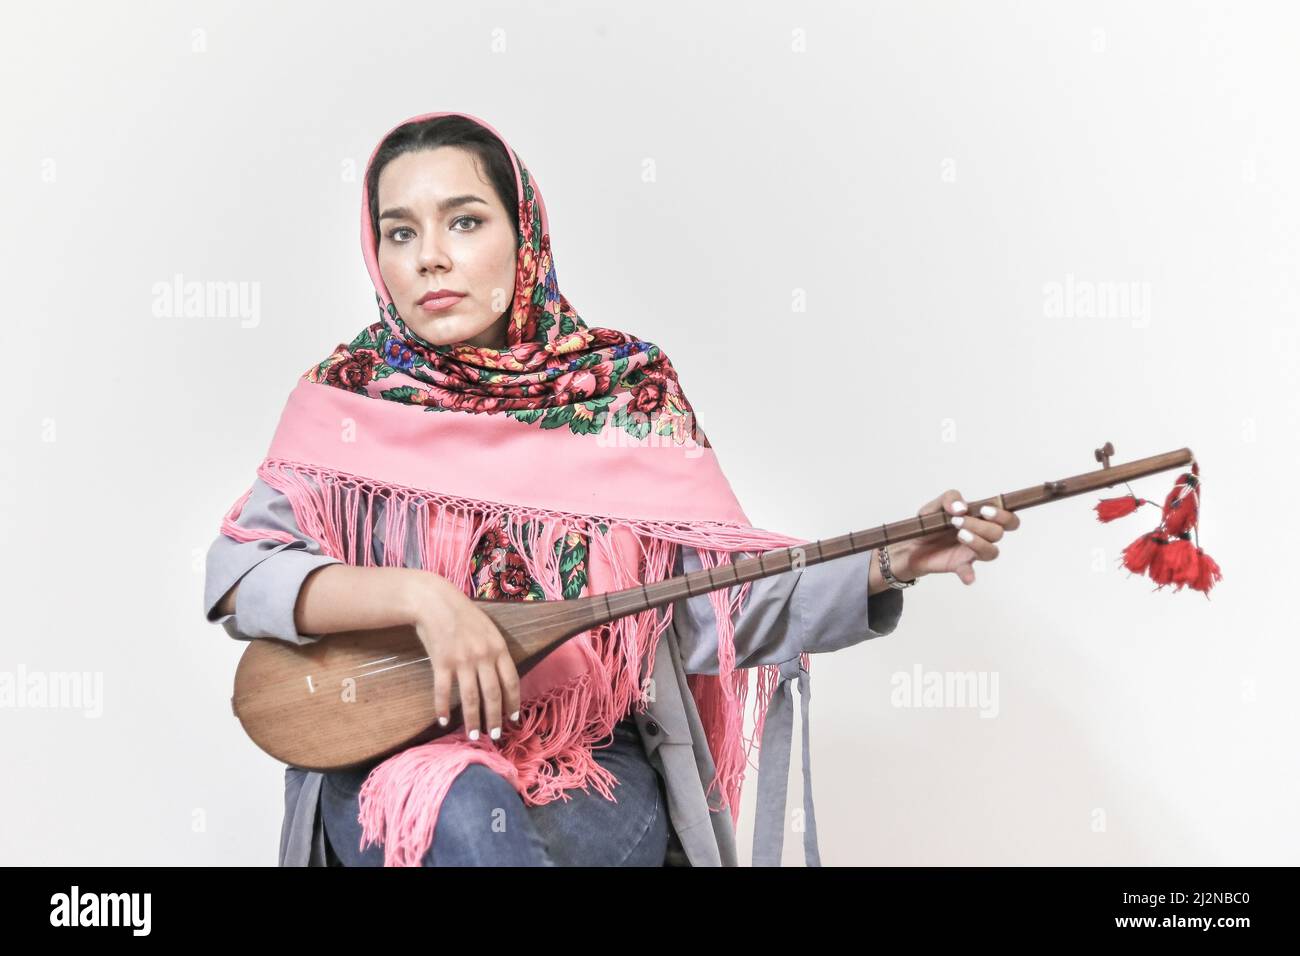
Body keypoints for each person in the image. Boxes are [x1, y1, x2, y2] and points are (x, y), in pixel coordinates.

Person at [202, 111, 1020, 867]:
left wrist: (890, 561)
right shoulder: (346, 398)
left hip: (584, 764)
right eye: (399, 231)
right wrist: (422, 598)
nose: (430, 257)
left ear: (525, 237)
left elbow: (718, 609)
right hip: (386, 754)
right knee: (458, 798)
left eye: (465, 221)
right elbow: (245, 579)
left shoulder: (625, 395)